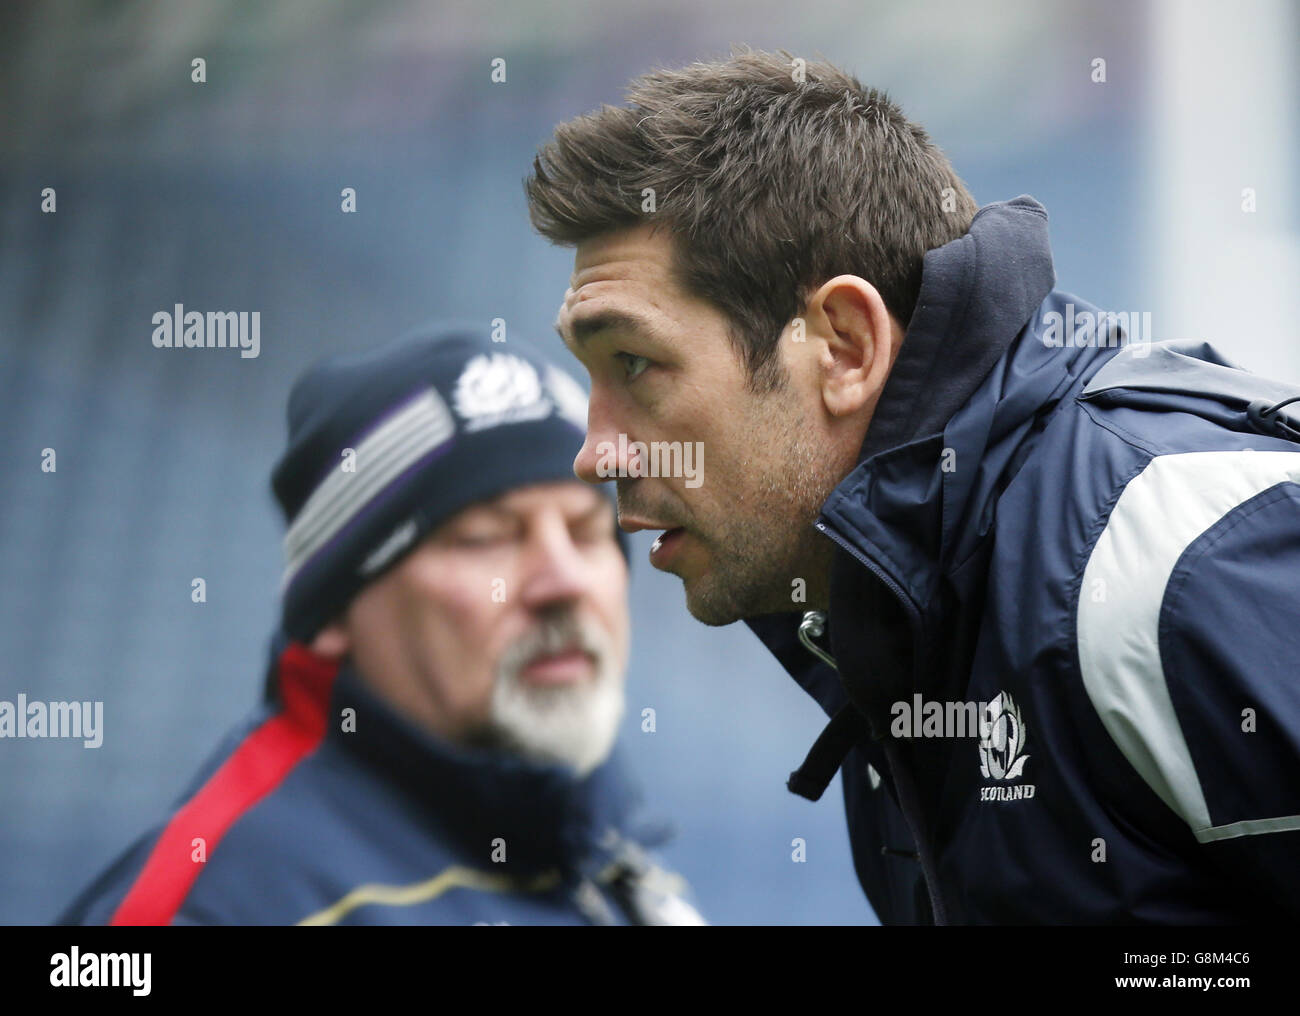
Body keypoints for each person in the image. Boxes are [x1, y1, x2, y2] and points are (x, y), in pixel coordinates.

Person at [526, 47, 1300, 924]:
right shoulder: (890, 625)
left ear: (846, 346)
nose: (597, 455)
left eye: (634, 362)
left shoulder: (1182, 564)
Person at [59, 324, 704, 926]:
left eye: (587, 533)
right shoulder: (220, 901)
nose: (561, 582)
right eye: (485, 539)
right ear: (337, 608)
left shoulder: (606, 847)